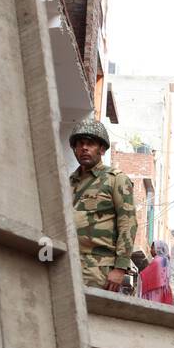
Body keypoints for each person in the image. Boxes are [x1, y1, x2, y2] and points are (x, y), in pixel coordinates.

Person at [68, 116, 137, 291]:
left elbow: (127, 223)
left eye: (90, 144)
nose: (84, 148)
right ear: (74, 149)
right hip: (68, 263)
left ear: (102, 149)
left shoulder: (116, 180)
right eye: (80, 144)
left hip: (99, 269)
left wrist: (120, 268)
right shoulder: (68, 182)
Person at [139, 239, 174, 305]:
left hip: (155, 291)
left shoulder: (158, 261)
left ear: (157, 249)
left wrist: (140, 274)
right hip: (163, 292)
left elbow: (146, 274)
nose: (150, 250)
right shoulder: (165, 260)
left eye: (152, 248)